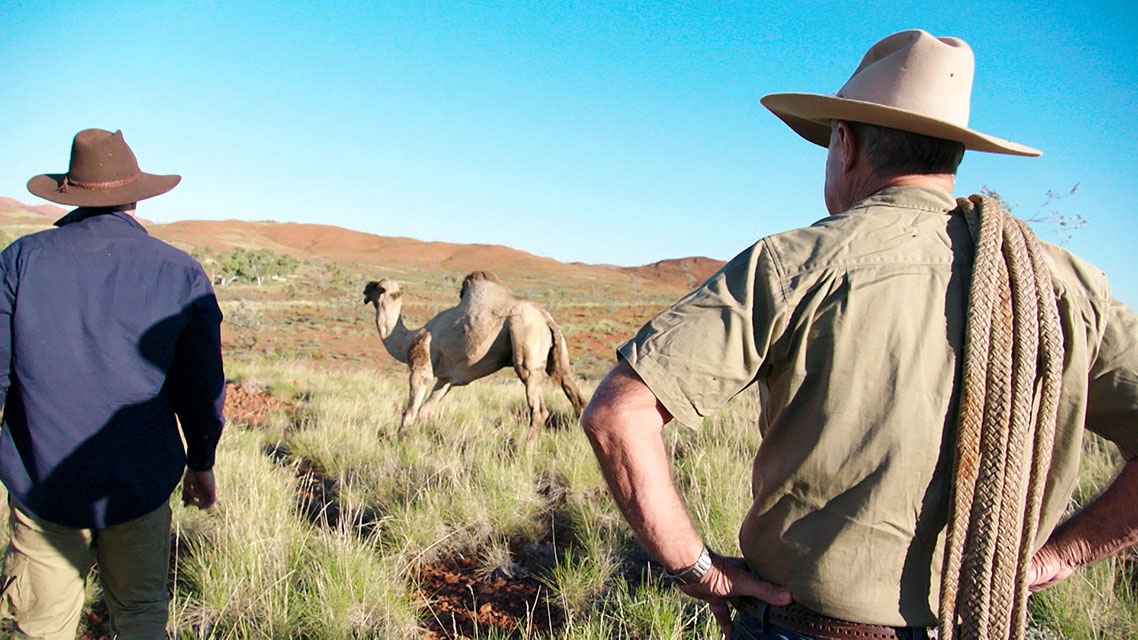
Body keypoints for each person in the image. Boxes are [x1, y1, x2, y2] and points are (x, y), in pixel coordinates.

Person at [582, 30, 1138, 640]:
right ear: (953, 154)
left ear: (845, 143)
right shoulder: (1065, 286)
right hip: (982, 622)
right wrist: (1063, 555)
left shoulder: (796, 263)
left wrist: (696, 569)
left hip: (802, 625)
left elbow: (619, 413)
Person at [0, 129, 226, 639]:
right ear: (137, 194)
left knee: (39, 626)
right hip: (139, 485)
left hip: (42, 482)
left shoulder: (20, 260)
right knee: (142, 614)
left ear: (69, 192)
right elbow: (203, 385)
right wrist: (202, 461)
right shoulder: (180, 272)